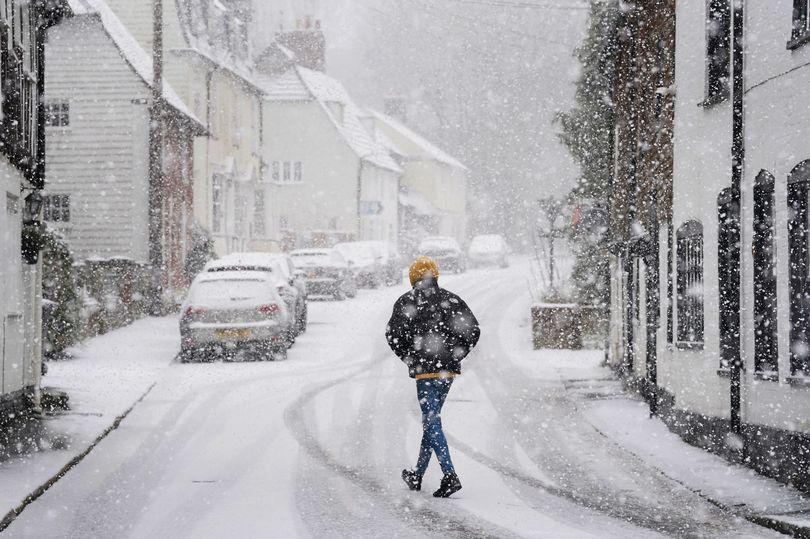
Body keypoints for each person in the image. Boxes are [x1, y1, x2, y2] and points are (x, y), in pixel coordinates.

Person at [385, 256, 480, 498]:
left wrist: (410, 357)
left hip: (425, 373)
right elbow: (473, 330)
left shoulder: (407, 302)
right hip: (447, 371)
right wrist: (457, 354)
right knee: (432, 421)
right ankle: (417, 473)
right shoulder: (451, 300)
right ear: (435, 275)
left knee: (431, 421)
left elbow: (393, 335)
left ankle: (450, 475)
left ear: (412, 278)